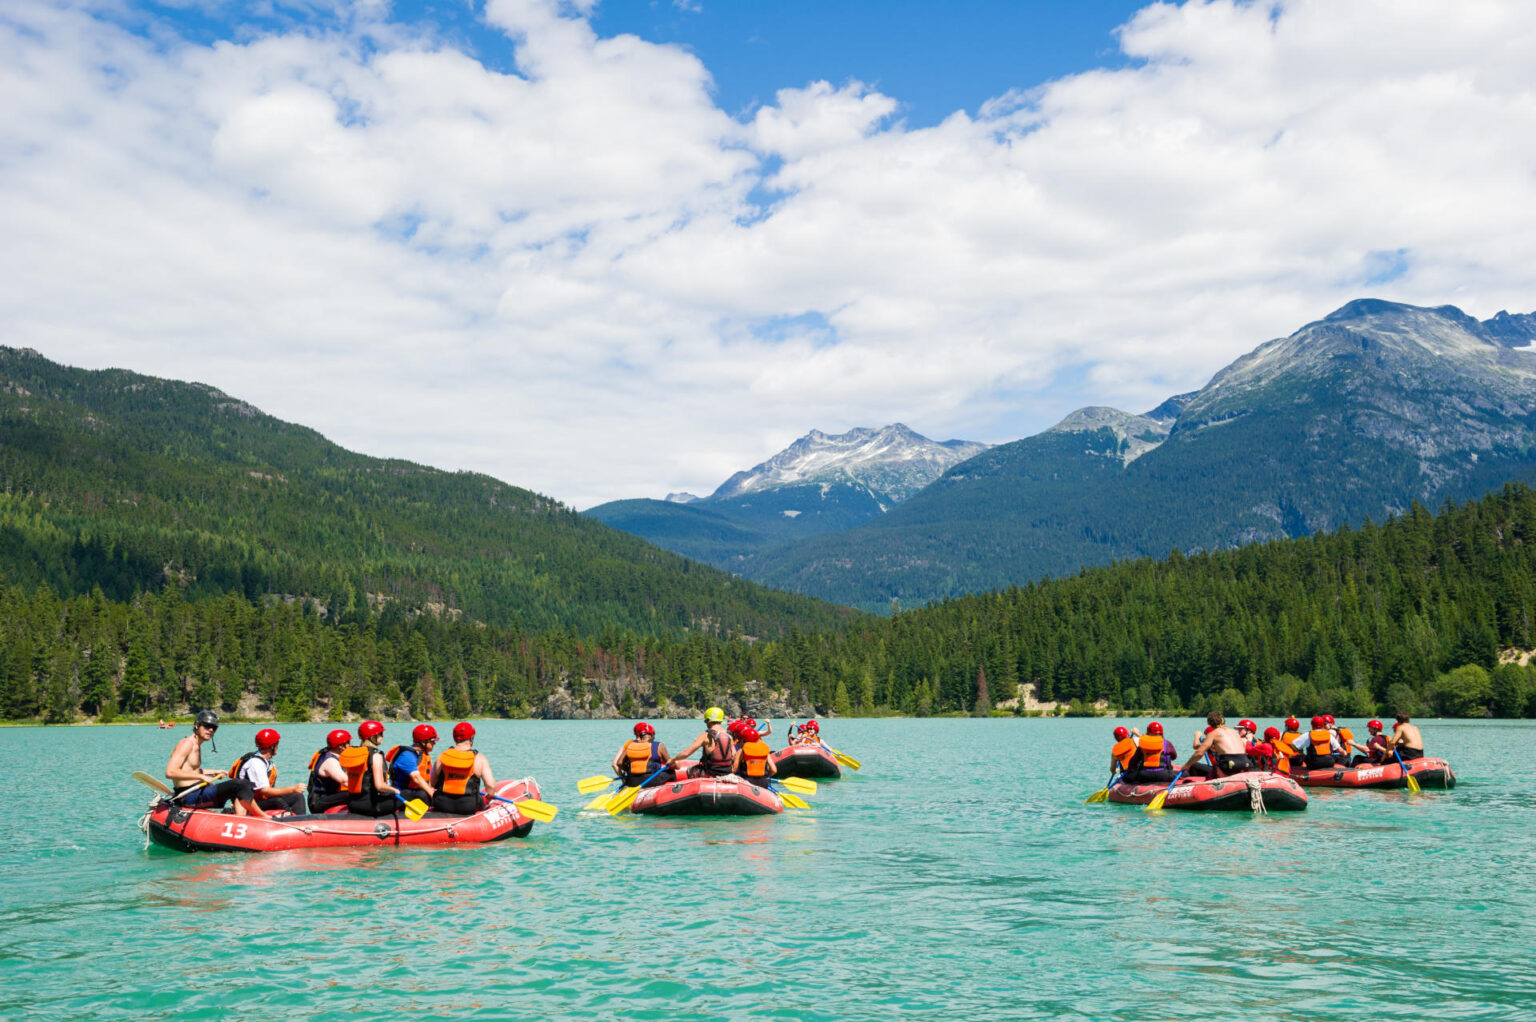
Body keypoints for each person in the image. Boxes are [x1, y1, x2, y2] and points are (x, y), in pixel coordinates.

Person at [163, 710, 268, 818]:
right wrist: (201, 777)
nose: (211, 730)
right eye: (207, 726)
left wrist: (214, 772)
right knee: (238, 785)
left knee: (243, 783)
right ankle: (264, 817)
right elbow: (170, 772)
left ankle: (241, 819)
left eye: (214, 727)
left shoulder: (196, 744)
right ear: (197, 725)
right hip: (188, 795)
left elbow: (190, 771)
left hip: (197, 791)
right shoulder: (187, 744)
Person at [232, 728, 307, 814]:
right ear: (272, 746)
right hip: (248, 805)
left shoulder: (263, 760)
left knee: (297, 797)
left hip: (258, 801)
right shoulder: (256, 763)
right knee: (277, 801)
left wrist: (294, 791)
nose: (277, 747)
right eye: (277, 744)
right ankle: (291, 820)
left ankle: (301, 819)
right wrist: (292, 789)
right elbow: (265, 791)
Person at [340, 719, 404, 817]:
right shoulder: (375, 756)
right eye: (381, 734)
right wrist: (395, 790)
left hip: (353, 804)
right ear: (373, 737)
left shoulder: (355, 754)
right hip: (370, 805)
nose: (382, 737)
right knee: (407, 795)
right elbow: (380, 786)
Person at [432, 722, 497, 815]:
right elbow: (491, 786)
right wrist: (490, 795)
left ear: (454, 738)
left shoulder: (441, 756)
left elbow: (432, 784)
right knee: (482, 799)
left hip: (441, 804)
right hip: (467, 806)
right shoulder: (479, 759)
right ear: (471, 739)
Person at [668, 707, 735, 778]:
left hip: (711, 772)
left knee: (691, 770)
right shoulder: (729, 735)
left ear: (708, 720)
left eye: (705, 721)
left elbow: (686, 753)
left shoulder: (706, 735)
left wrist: (673, 759)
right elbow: (733, 754)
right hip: (727, 772)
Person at [1183, 712, 1251, 777]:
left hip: (1229, 765)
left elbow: (1199, 753)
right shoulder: (1235, 732)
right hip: (1245, 763)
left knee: (1194, 766)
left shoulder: (1213, 733)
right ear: (1223, 720)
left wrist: (1187, 765)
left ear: (1209, 723)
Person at [386, 724, 438, 806]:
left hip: (416, 792)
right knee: (423, 795)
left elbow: (429, 779)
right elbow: (416, 778)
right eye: (432, 741)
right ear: (423, 742)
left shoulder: (424, 755)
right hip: (402, 793)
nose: (434, 743)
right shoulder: (407, 755)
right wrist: (432, 794)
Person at [612, 722, 674, 787]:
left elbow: (616, 763)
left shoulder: (629, 744)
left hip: (632, 780)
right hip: (650, 779)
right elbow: (670, 764)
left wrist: (626, 774)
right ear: (652, 734)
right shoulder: (658, 745)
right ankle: (674, 789)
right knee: (672, 773)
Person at [306, 729, 353, 813]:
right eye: (348, 743)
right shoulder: (330, 760)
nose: (350, 745)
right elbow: (345, 781)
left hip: (328, 797)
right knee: (353, 794)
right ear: (341, 746)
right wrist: (366, 789)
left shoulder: (332, 756)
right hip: (318, 802)